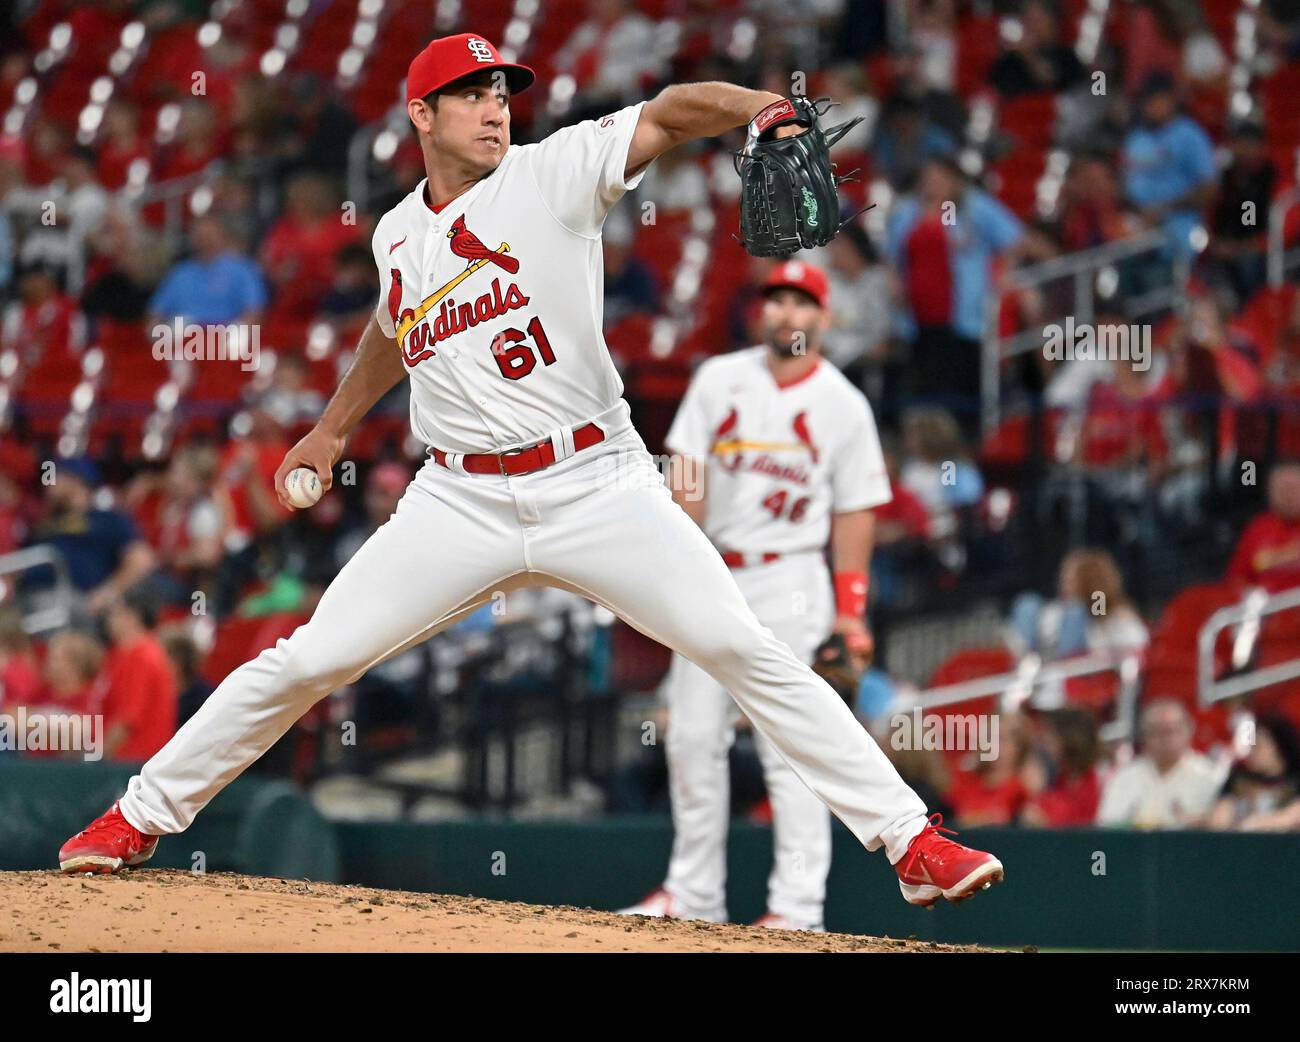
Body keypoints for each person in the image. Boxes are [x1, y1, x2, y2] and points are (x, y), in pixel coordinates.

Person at [58, 33, 1003, 907]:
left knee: (741, 648)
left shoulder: (553, 172)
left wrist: (760, 106)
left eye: (502, 89)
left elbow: (672, 110)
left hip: (597, 481)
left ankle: (911, 841)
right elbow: (396, 327)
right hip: (458, 495)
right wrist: (335, 428)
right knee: (309, 657)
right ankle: (139, 815)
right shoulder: (396, 234)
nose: (495, 106)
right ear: (420, 117)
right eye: (469, 94)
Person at [620, 260, 891, 931]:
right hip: (716, 571)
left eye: (802, 304)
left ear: (824, 319)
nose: (787, 315)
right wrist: (683, 554)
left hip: (793, 577)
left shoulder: (843, 403)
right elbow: (685, 466)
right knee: (691, 739)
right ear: (759, 313)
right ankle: (694, 896)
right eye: (777, 302)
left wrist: (851, 607)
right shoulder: (720, 377)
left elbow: (857, 509)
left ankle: (798, 910)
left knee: (790, 745)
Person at [1097, 700, 1225, 828]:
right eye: (1156, 732)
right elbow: (1107, 824)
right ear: (1144, 736)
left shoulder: (1210, 776)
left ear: (1189, 730)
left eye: (1171, 731)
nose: (1165, 739)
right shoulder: (1124, 777)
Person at [1227, 460, 1300, 592]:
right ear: (1270, 492)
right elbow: (1237, 578)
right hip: (1268, 607)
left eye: (1294, 489)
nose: (1289, 496)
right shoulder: (1258, 528)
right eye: (1283, 489)